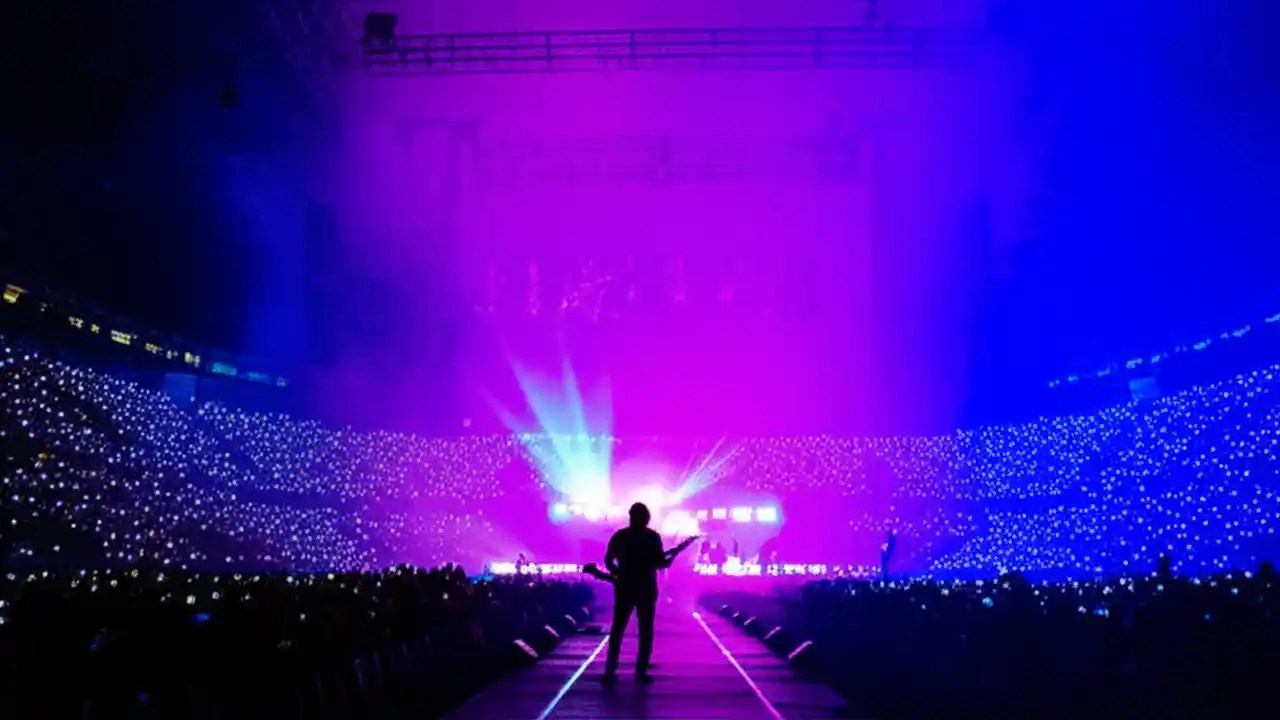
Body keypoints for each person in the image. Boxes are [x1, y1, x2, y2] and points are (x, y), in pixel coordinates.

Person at [599, 502, 695, 684]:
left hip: (625, 586)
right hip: (646, 587)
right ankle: (640, 672)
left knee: (618, 629)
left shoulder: (621, 536)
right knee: (646, 631)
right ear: (647, 518)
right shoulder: (652, 537)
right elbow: (660, 563)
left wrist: (618, 573)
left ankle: (610, 671)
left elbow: (608, 560)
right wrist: (672, 556)